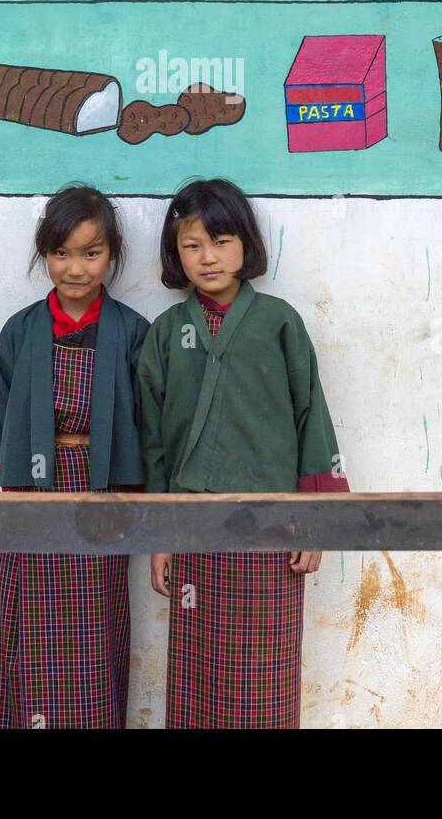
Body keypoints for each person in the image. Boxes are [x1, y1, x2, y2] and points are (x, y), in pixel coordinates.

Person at [137, 177, 350, 729]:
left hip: (272, 527)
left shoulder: (279, 322)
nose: (208, 257)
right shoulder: (165, 335)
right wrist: (161, 534)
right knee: (197, 673)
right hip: (192, 526)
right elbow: (154, 444)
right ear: (174, 252)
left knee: (264, 674)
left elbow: (312, 417)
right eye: (192, 245)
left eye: (222, 240)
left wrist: (313, 520)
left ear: (246, 245)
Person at [0, 184, 148, 729]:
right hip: (32, 497)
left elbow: (147, 420)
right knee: (27, 629)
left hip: (102, 495)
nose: (75, 269)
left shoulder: (131, 333)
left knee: (93, 634)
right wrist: (17, 490)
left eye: (91, 253)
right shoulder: (20, 331)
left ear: (112, 256)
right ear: (44, 252)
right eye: (61, 253)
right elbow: (2, 415)